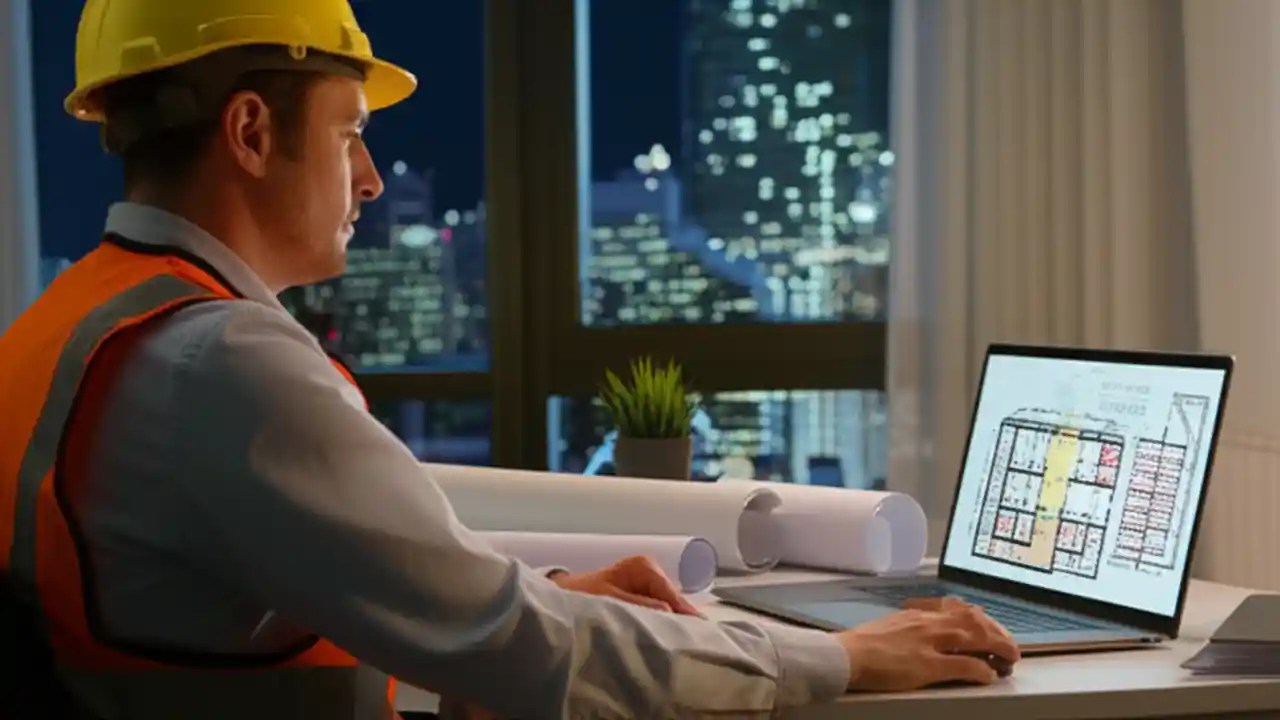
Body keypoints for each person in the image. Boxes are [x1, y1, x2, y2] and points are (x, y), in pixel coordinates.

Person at [0, 1, 1020, 718]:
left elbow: (243, 596)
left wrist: (543, 589)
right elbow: (520, 652)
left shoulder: (72, 321)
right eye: (351, 132)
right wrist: (840, 657)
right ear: (253, 132)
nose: (366, 177)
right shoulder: (220, 360)